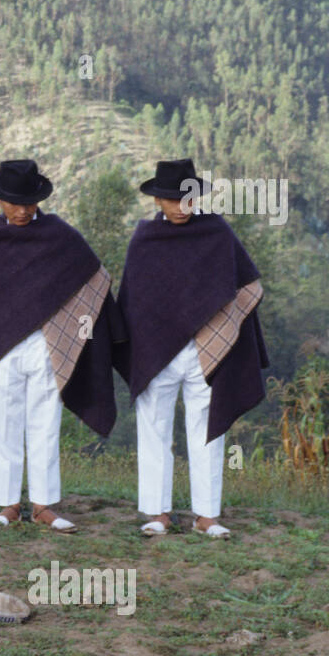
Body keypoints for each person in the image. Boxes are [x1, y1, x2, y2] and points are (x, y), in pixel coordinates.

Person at [0, 160, 124, 531]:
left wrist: (74, 327)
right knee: (4, 424)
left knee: (45, 423)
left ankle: (43, 506)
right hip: (1, 348)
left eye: (29, 203)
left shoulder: (60, 237)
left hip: (47, 343)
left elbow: (95, 279)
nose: (22, 211)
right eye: (14, 203)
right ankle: (8, 505)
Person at [115, 158, 269, 539]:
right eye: (171, 199)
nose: (180, 206)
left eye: (187, 199)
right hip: (157, 351)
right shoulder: (145, 238)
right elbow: (134, 300)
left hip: (206, 347)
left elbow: (247, 286)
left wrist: (223, 329)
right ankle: (157, 513)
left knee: (207, 430)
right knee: (154, 430)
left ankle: (207, 515)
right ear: (157, 201)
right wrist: (143, 341)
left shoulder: (216, 232)